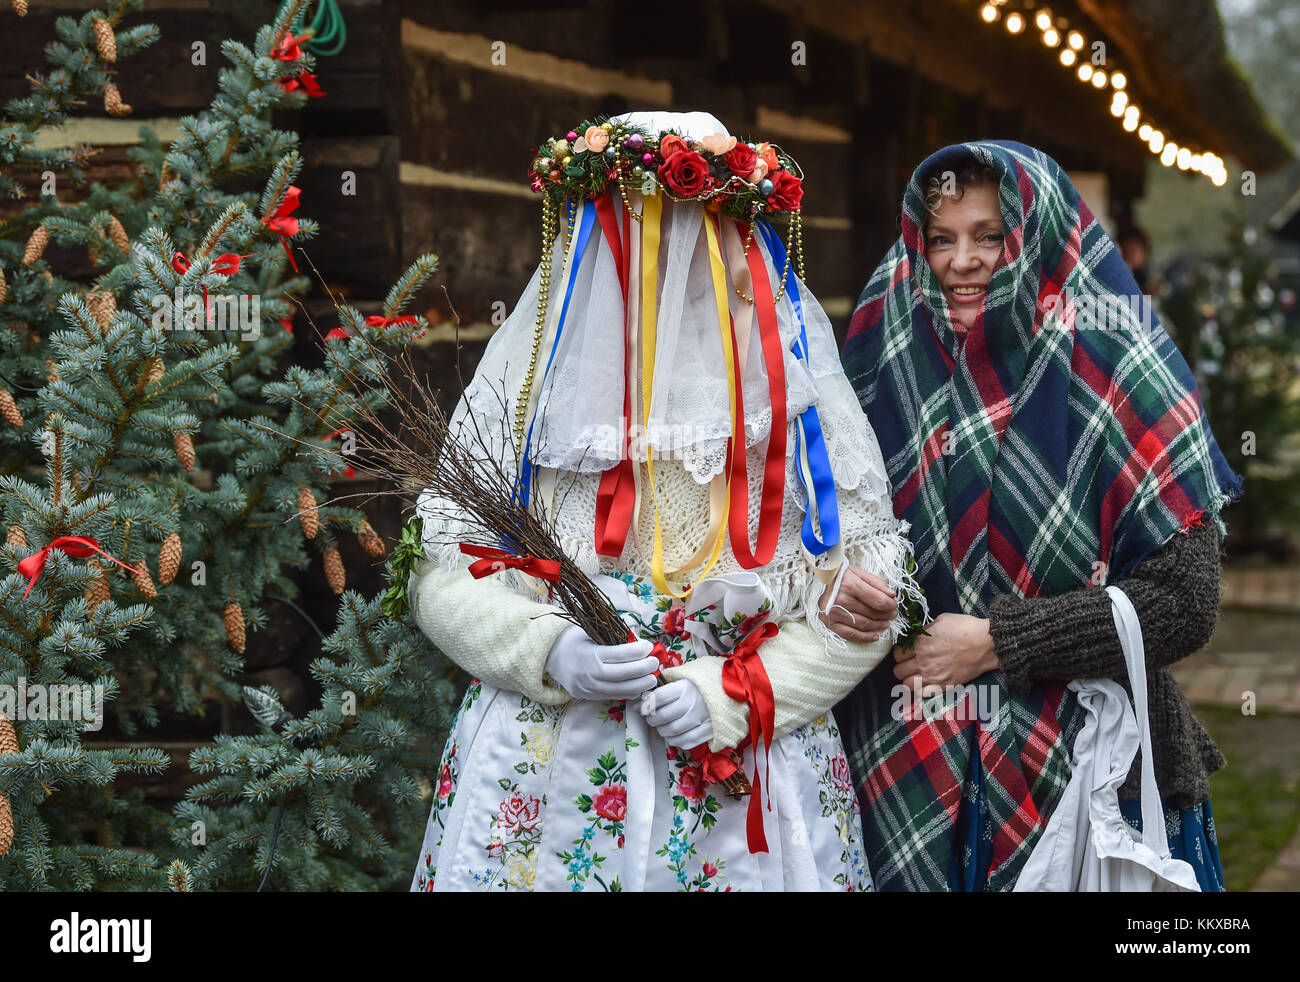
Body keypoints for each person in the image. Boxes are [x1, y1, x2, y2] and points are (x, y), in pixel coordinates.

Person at [406, 110, 922, 892]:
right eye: (637, 238)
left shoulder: (794, 396)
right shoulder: (530, 388)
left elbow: (866, 612)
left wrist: (738, 695)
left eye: (693, 237)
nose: (668, 266)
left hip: (744, 779)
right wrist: (548, 651)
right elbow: (439, 576)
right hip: (547, 773)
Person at [835, 140, 1243, 892]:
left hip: (1090, 763)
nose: (961, 262)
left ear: (1040, 234)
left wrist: (996, 642)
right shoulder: (882, 344)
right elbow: (823, 533)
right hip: (905, 753)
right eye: (941, 239)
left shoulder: (1119, 360)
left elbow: (1186, 604)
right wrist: (845, 592)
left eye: (989, 236)